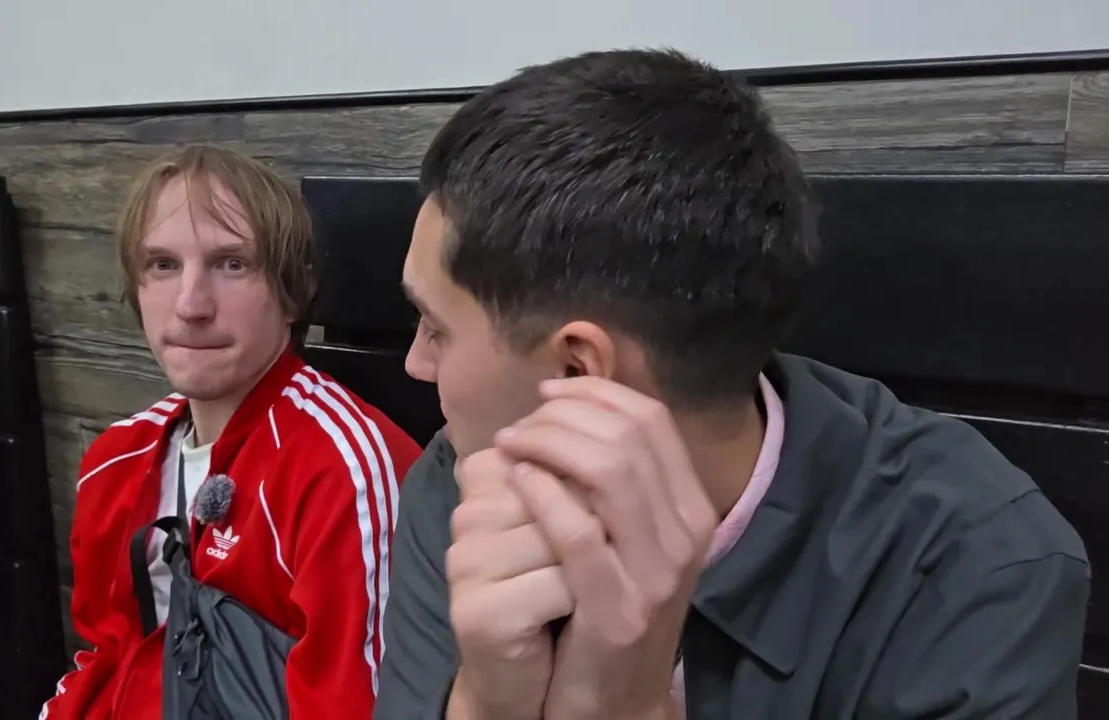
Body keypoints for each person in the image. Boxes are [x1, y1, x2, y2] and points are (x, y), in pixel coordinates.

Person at [374, 49, 1090, 719]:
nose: (416, 363)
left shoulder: (977, 567)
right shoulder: (461, 481)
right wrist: (486, 699)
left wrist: (626, 704)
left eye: (435, 326)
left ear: (577, 374)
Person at [40, 145, 421, 719]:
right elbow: (104, 657)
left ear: (295, 291)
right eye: (162, 265)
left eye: (232, 264)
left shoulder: (343, 471)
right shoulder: (115, 458)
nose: (191, 305)